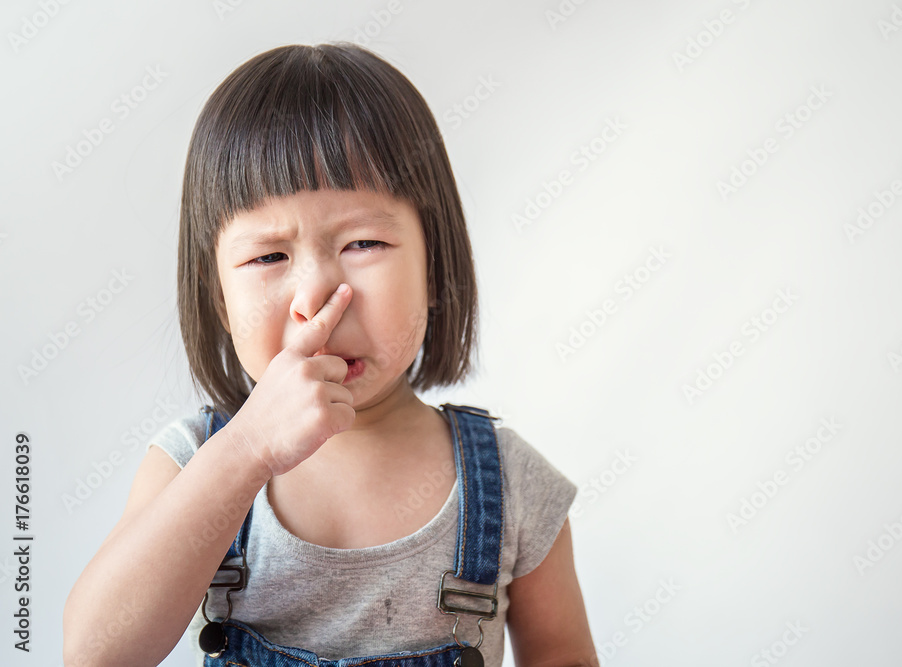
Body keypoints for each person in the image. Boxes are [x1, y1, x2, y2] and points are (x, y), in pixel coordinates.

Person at [62, 42, 597, 667]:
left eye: (363, 242)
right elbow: (95, 653)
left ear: (434, 267)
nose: (316, 293)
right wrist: (245, 451)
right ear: (217, 292)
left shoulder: (508, 483)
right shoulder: (192, 463)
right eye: (268, 257)